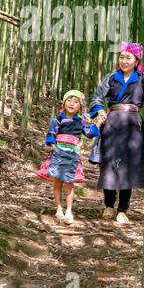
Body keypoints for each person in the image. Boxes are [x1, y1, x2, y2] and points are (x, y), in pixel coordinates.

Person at [88, 42, 144, 224]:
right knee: (109, 165)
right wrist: (100, 111)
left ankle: (123, 208)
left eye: (128, 58)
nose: (124, 61)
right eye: (121, 57)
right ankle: (108, 205)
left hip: (133, 126)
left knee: (128, 167)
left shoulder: (142, 78)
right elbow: (97, 97)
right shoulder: (111, 77)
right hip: (112, 123)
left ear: (136, 60)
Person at [38, 90, 100, 224]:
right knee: (57, 182)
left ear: (80, 106)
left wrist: (97, 123)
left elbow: (90, 133)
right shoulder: (58, 120)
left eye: (76, 102)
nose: (72, 104)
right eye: (69, 100)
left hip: (72, 155)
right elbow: (51, 134)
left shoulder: (81, 121)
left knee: (69, 183)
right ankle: (59, 209)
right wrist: (55, 148)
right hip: (58, 153)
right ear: (64, 103)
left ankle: (69, 211)